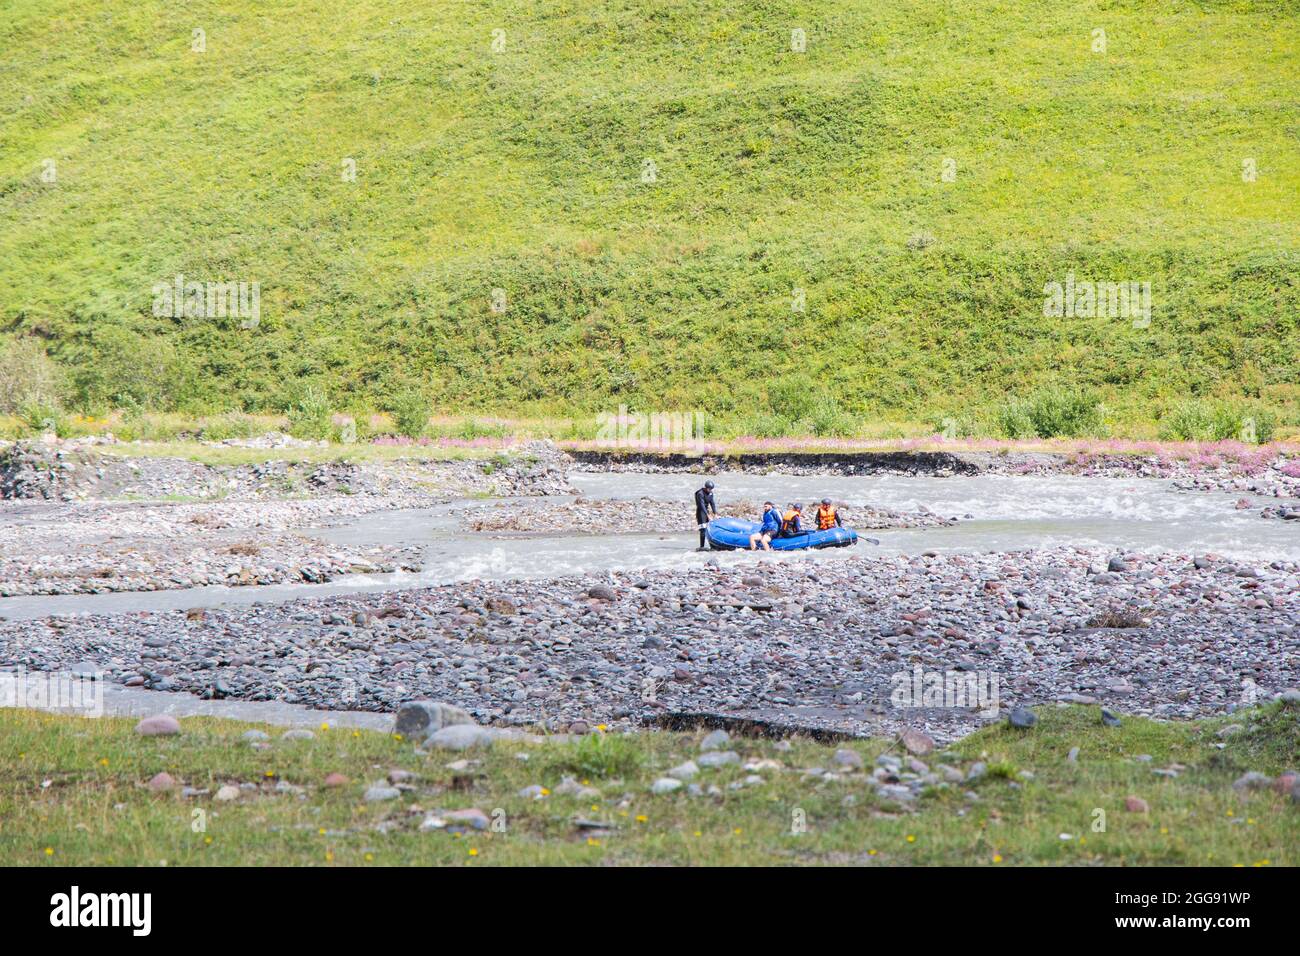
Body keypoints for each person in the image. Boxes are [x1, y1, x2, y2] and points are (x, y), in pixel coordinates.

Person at [694, 480, 718, 550]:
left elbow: (712, 503)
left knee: (709, 529)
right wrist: (707, 515)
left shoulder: (710, 493)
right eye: (709, 489)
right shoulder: (700, 493)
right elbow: (701, 505)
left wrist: (715, 513)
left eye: (711, 489)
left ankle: (712, 545)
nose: (710, 490)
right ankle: (702, 546)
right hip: (701, 512)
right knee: (703, 529)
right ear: (706, 487)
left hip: (706, 511)